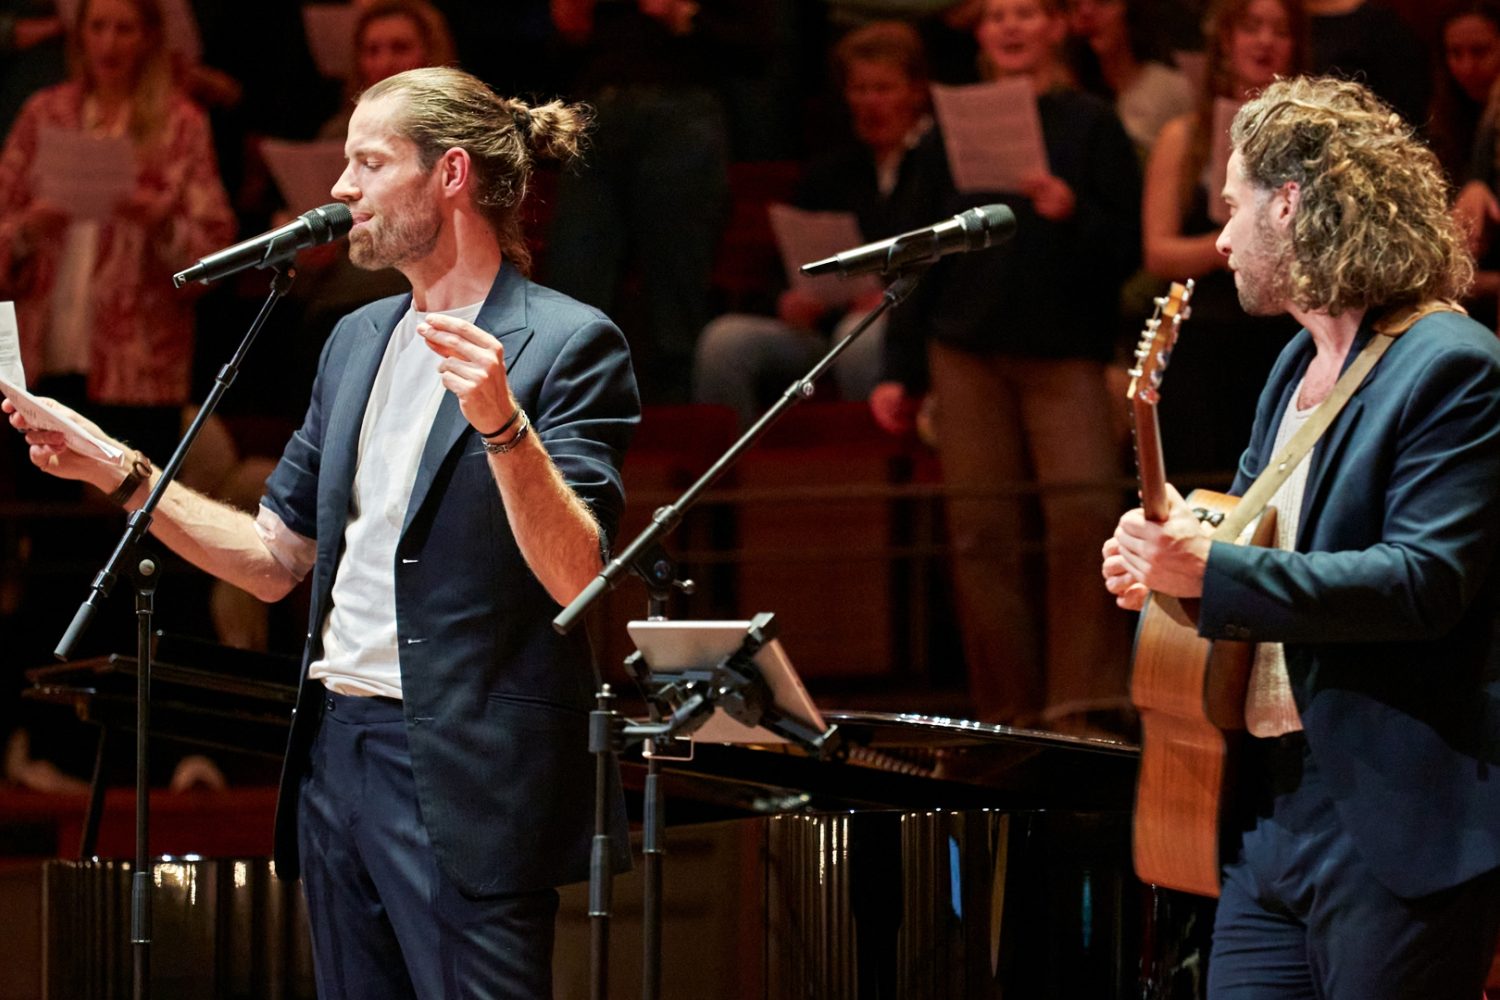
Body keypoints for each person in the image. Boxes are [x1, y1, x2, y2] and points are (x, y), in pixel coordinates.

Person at [7, 65, 638, 999]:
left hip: (465, 775)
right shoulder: (355, 341)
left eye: (368, 162)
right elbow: (272, 561)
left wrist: (504, 425)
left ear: (450, 175)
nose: (338, 189)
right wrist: (119, 469)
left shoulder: (568, 343)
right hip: (336, 757)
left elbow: (579, 575)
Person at [1103, 76, 1500, 998]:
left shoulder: (1454, 366)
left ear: (1291, 203)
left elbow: (1423, 581)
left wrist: (1216, 566)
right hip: (1267, 809)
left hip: (1397, 820)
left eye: (1236, 208)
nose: (1223, 238)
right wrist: (1163, 565)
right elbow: (1249, 547)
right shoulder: (1296, 362)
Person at [872, 0, 1142, 732]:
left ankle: (1080, 706)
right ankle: (1007, 714)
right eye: (996, 16)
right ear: (981, 34)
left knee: (1084, 520)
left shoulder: (1091, 123)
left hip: (1064, 352)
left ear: (1057, 25)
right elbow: (914, 252)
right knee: (980, 534)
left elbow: (1129, 251)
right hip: (965, 352)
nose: (1012, 27)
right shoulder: (948, 131)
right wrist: (901, 368)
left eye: (1027, 12)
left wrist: (1069, 211)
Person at [0, 0, 235, 461]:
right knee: (48, 510)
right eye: (98, 27)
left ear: (148, 37)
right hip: (44, 349)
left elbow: (214, 248)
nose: (109, 42)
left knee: (134, 510)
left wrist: (161, 223)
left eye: (124, 29)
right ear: (80, 35)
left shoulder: (180, 123)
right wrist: (30, 227)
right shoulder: (43, 113)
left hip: (140, 362)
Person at [692, 20, 938, 425]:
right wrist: (785, 301)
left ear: (916, 93)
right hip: (822, 322)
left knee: (858, 338)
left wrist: (889, 300)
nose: (869, 102)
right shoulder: (831, 173)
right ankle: (735, 478)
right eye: (859, 90)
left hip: (904, 328)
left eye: (883, 89)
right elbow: (785, 266)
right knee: (725, 342)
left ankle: (872, 466)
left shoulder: (935, 165)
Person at [1139, 0, 1305, 477]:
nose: (1265, 41)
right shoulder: (1183, 135)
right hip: (1203, 339)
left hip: (1285, 332)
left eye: (1280, 30)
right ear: (1226, 41)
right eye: (1252, 27)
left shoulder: (1313, 143)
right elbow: (1158, 252)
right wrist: (1231, 241)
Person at [1064, 0, 1195, 155]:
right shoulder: (1068, 91)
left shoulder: (1170, 88)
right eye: (1076, 6)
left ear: (1129, 10)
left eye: (1102, 2)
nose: (1087, 13)